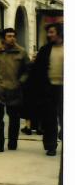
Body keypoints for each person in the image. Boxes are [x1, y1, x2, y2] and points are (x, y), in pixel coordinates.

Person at [0, 27, 30, 152]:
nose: (12, 38)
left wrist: (21, 82)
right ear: (3, 38)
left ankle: (13, 142)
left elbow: (28, 70)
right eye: (9, 36)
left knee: (14, 119)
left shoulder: (22, 52)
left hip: (15, 90)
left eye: (13, 36)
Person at [28, 23, 63, 156]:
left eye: (52, 32)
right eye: (48, 32)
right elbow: (37, 71)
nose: (49, 35)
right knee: (50, 119)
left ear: (59, 33)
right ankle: (51, 146)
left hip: (65, 88)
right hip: (49, 88)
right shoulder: (45, 49)